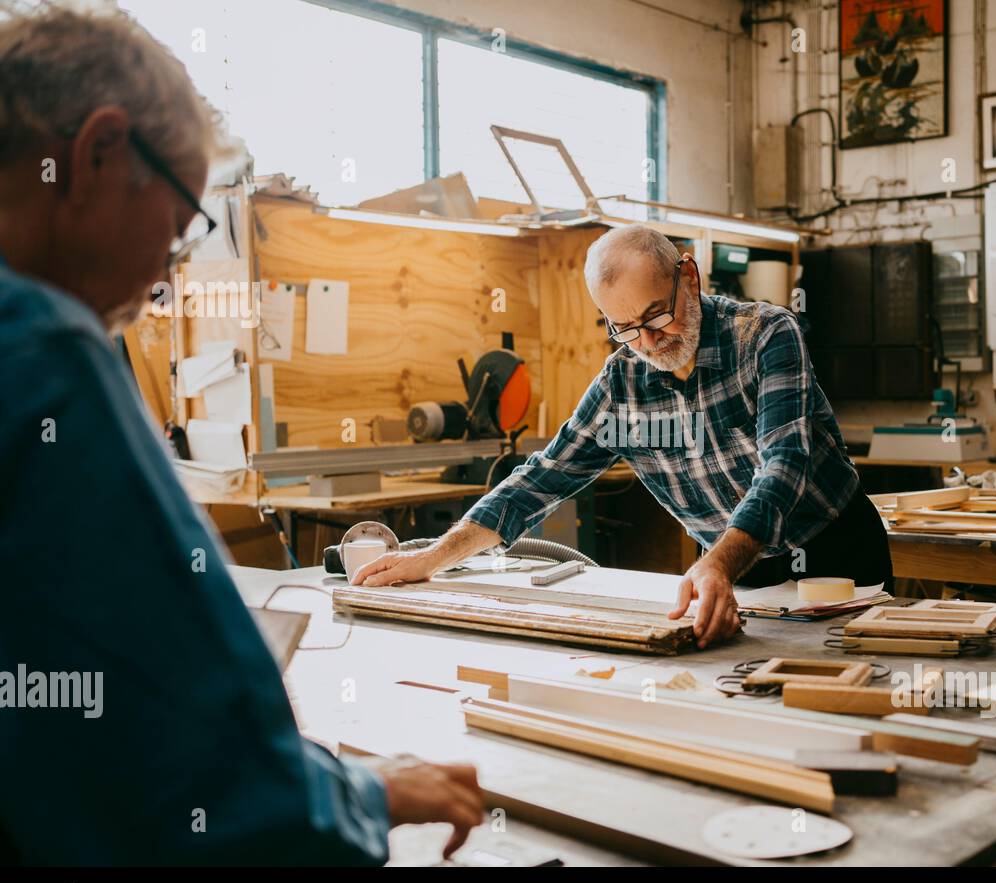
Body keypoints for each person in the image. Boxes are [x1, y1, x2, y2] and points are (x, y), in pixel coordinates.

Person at [0, 4, 482, 865]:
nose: (167, 275)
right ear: (99, 154)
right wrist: (365, 791)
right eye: (183, 226)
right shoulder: (40, 343)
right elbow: (212, 769)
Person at [356, 225, 892, 646]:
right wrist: (432, 557)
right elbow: (539, 480)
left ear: (689, 277)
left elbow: (784, 465)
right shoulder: (621, 385)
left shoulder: (766, 336)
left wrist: (714, 562)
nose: (650, 341)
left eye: (658, 316)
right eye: (625, 328)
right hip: (737, 573)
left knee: (854, 683)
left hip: (835, 550)